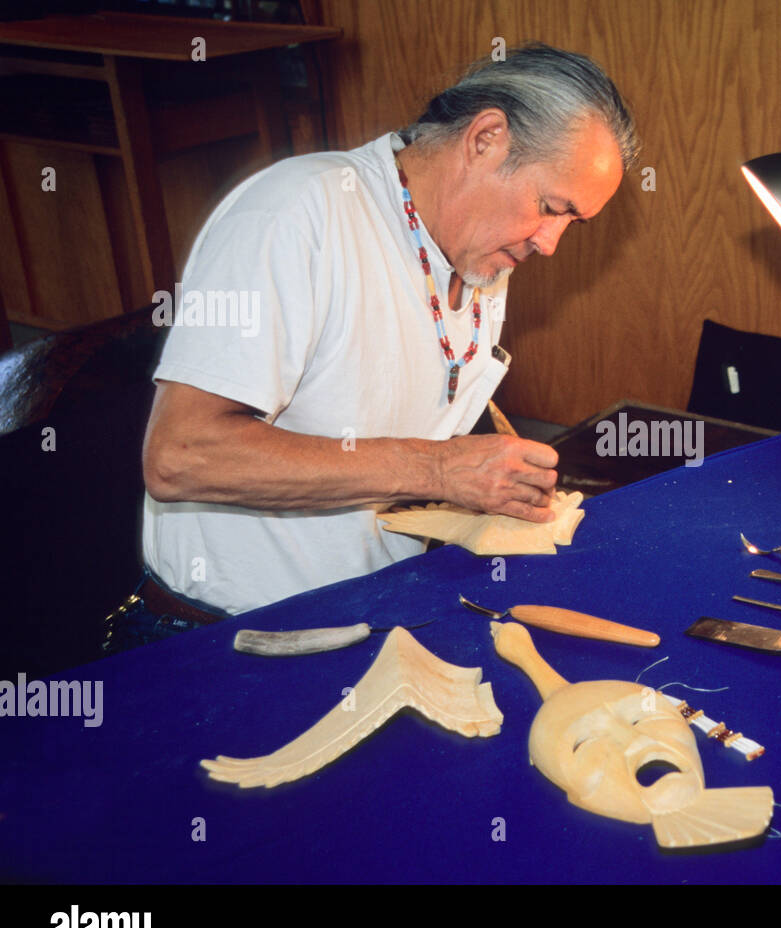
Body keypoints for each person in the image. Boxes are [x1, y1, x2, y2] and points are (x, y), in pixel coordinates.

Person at [101, 44, 639, 652]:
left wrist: (478, 486)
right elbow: (181, 456)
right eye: (550, 208)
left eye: (574, 221)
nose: (550, 244)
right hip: (224, 633)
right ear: (486, 137)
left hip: (375, 612)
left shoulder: (481, 250)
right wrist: (440, 467)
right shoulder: (296, 214)